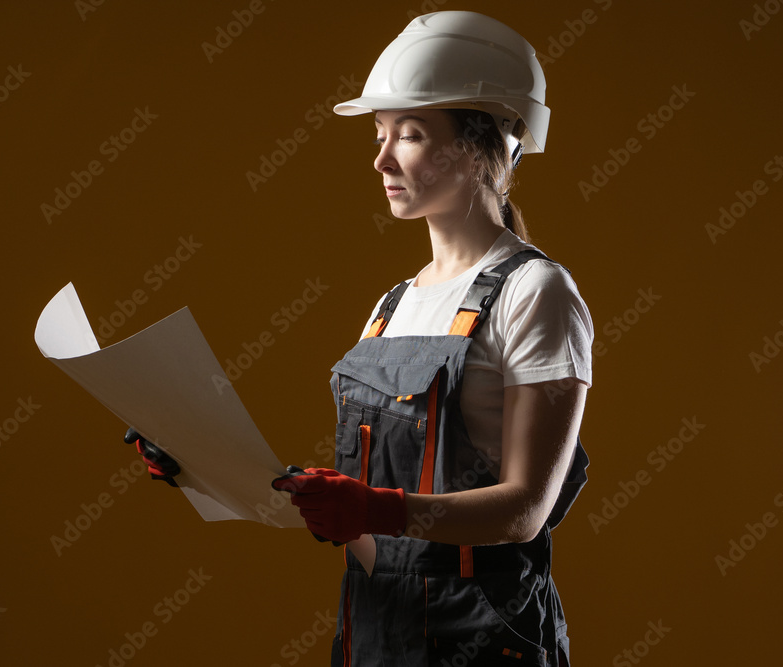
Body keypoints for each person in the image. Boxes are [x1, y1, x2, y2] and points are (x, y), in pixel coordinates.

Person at [132, 11, 593, 666]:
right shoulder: (391, 307)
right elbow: (364, 525)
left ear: (483, 143)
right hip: (374, 633)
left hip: (483, 639)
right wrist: (201, 464)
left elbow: (524, 510)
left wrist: (372, 508)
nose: (381, 158)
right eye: (380, 134)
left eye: (410, 134)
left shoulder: (536, 292)